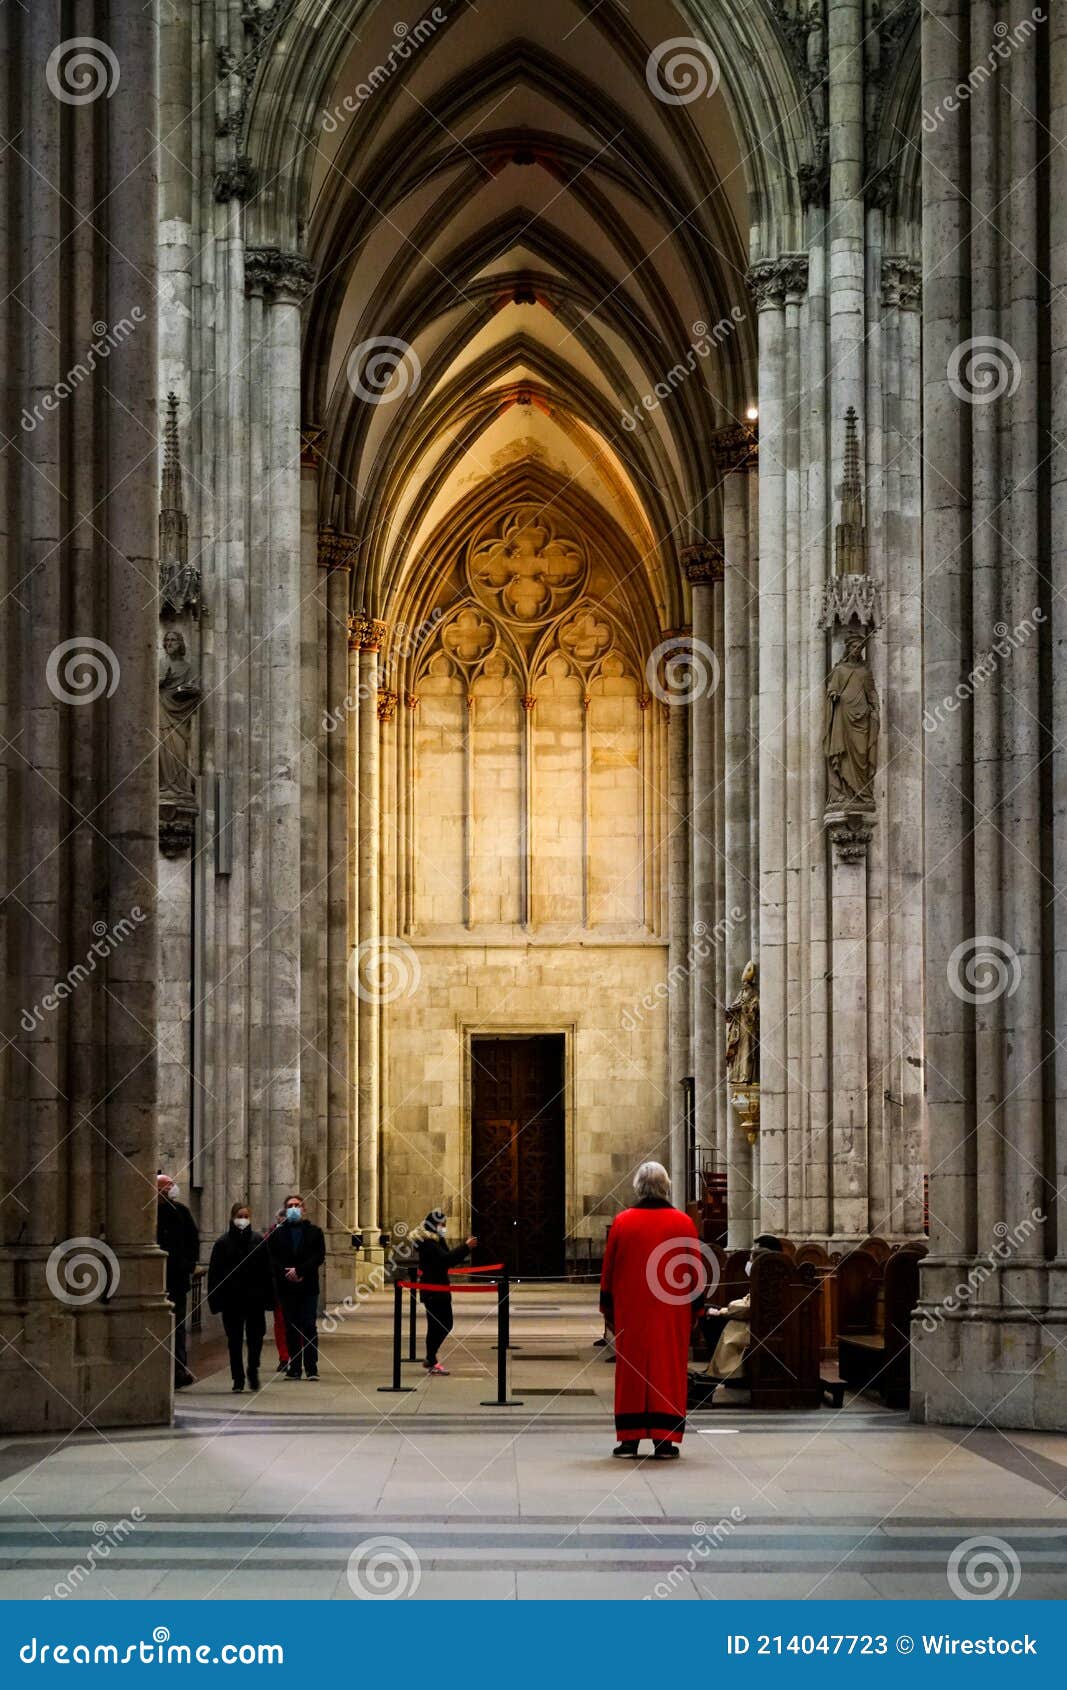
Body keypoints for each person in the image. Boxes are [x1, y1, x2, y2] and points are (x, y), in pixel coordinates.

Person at [599, 1161, 702, 1460]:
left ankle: (629, 1440)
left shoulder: (623, 1222)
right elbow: (694, 1270)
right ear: (666, 1187)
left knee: (631, 1373)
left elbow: (609, 1269)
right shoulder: (684, 1223)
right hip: (671, 1314)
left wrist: (608, 1307)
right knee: (668, 1372)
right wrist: (696, 1310)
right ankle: (664, 1441)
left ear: (638, 1187)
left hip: (631, 1314)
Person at [696, 1234, 784, 1388]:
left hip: (757, 1327)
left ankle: (726, 1374)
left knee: (712, 1319)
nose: (749, 1262)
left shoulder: (774, 1276)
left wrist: (724, 1312)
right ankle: (715, 1368)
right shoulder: (766, 1274)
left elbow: (751, 1308)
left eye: (752, 1257)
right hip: (751, 1319)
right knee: (708, 1310)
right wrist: (724, 1310)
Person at [207, 1203, 275, 1393]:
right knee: (234, 1341)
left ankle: (253, 1369)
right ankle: (238, 1377)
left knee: (256, 1338)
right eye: (239, 1215)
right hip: (232, 1300)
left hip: (255, 1299)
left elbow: (267, 1271)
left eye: (246, 1216)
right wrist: (215, 1300)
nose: (243, 1219)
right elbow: (215, 1274)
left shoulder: (258, 1241)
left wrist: (270, 1298)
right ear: (232, 1217)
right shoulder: (222, 1243)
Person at [267, 1195, 326, 1381]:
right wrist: (287, 1273)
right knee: (291, 1327)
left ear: (304, 1209)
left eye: (297, 1205)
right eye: (290, 1206)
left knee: (308, 1326)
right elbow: (272, 1258)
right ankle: (294, 1367)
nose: (294, 1208)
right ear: (286, 1210)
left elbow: (318, 1256)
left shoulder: (315, 1232)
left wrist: (300, 1271)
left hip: (307, 1285)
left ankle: (311, 1367)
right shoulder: (278, 1233)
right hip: (287, 1287)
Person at [415, 1210, 477, 1375]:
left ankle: (431, 1358)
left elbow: (448, 1259)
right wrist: (465, 1247)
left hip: (438, 1288)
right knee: (442, 1324)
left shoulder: (436, 1241)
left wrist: (464, 1249)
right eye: (442, 1224)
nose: (444, 1228)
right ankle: (431, 1359)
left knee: (439, 1325)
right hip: (434, 1290)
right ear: (435, 1225)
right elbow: (445, 1260)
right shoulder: (428, 1243)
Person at [156, 1172, 200, 1389]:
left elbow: (193, 1240)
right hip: (157, 1278)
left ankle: (179, 1368)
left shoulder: (181, 1211)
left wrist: (189, 1266)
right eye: (167, 1185)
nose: (172, 1188)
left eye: (172, 1184)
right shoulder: (149, 1213)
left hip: (177, 1278)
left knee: (179, 1325)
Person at [263, 1206, 291, 1373]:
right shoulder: (272, 1235)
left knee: (295, 1323)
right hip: (278, 1286)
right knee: (280, 1322)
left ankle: (295, 1355)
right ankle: (284, 1357)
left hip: (295, 1286)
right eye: (280, 1217)